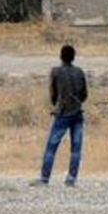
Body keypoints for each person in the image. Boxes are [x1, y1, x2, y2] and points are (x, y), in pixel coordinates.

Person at [32, 44, 88, 187]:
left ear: (61, 56)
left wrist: (56, 105)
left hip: (62, 113)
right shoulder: (80, 72)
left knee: (51, 147)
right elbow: (84, 94)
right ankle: (71, 178)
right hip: (77, 113)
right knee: (76, 148)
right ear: (74, 57)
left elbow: (53, 93)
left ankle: (44, 178)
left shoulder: (56, 72)